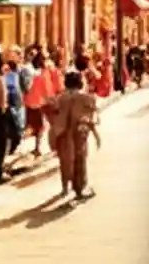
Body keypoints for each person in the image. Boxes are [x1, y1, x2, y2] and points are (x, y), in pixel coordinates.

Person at [49, 70, 100, 200]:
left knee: (65, 161)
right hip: (79, 134)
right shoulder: (87, 98)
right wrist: (96, 135)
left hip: (63, 135)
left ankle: (65, 187)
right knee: (80, 160)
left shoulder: (60, 98)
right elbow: (92, 118)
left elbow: (54, 116)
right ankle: (80, 188)